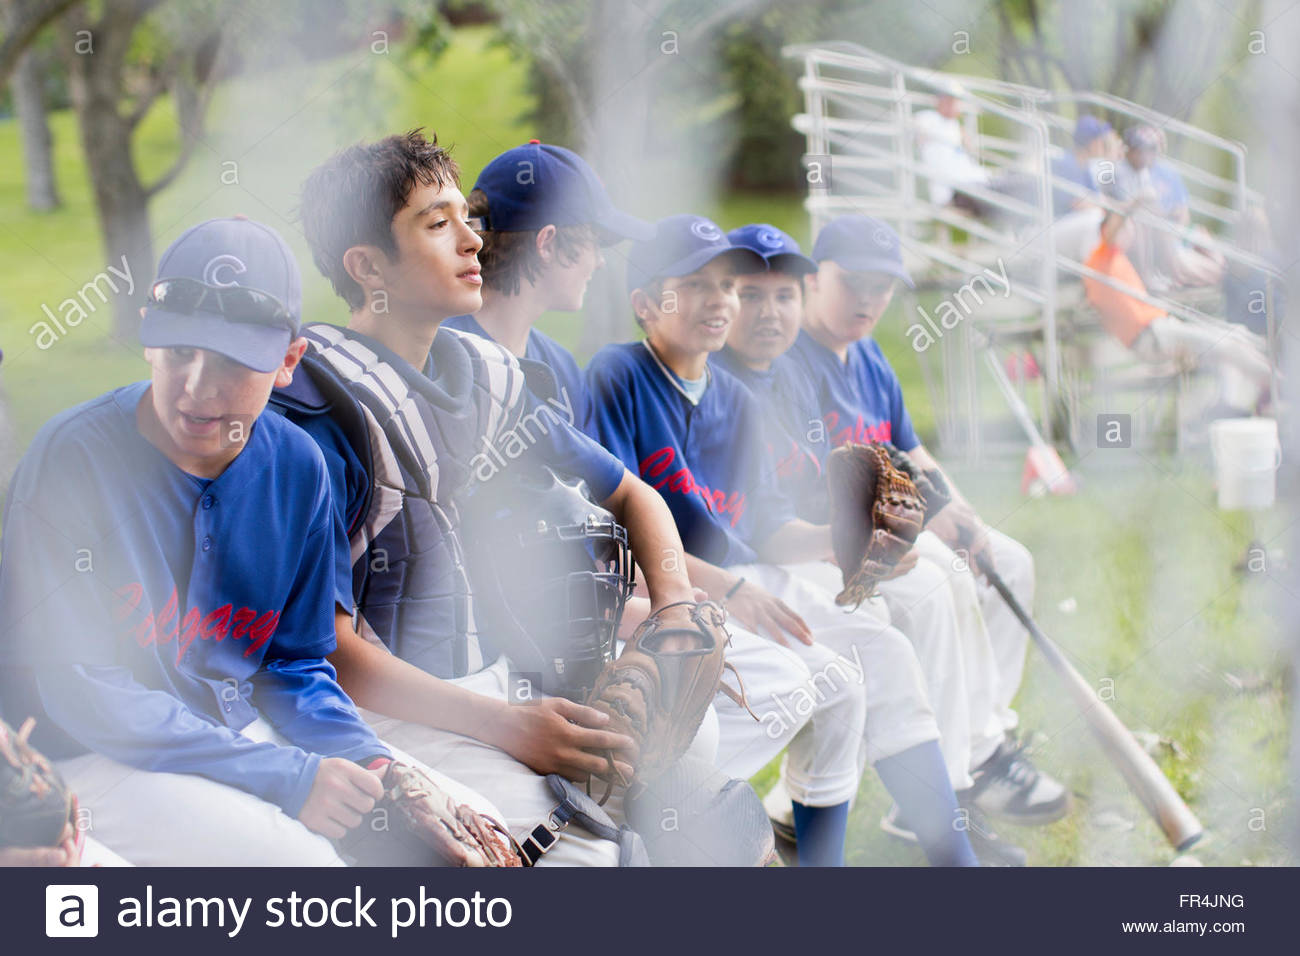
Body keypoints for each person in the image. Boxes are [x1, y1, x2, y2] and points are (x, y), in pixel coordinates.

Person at [278, 130, 778, 867]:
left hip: (501, 677)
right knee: (597, 860)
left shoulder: (482, 373)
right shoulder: (319, 411)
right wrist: (509, 725)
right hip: (389, 714)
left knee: (714, 825)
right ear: (367, 266)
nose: (472, 241)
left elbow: (633, 493)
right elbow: (333, 652)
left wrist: (671, 603)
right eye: (436, 224)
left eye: (466, 218)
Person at [0, 217, 501, 866]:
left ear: (288, 361)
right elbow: (81, 689)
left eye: (235, 361)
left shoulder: (297, 467)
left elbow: (294, 666)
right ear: (150, 344)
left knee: (473, 834)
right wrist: (285, 778)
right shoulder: (74, 458)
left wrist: (372, 761)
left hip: (231, 730)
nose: (198, 389)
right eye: (180, 350)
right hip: (95, 754)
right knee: (308, 870)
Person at [442, 142, 864, 861]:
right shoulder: (451, 355)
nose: (601, 260)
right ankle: (632, 826)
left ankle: (648, 822)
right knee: (694, 815)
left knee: (737, 743)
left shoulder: (553, 363)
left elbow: (601, 514)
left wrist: (662, 606)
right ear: (550, 245)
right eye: (593, 244)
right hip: (491, 648)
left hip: (581, 620)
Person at [586, 213, 990, 867]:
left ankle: (951, 861)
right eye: (695, 285)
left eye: (727, 285)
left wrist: (846, 539)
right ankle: (649, 810)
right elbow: (611, 532)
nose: (719, 300)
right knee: (823, 687)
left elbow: (766, 530)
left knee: (879, 658)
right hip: (664, 591)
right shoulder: (619, 376)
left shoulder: (737, 403)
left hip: (742, 582)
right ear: (644, 304)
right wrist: (729, 588)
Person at [715, 222, 1067, 851]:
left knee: (1007, 561)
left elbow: (909, 449)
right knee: (935, 590)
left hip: (871, 527)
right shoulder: (785, 362)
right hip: (825, 541)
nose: (868, 301)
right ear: (815, 278)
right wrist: (927, 518)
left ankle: (982, 744)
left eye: (882, 288)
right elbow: (818, 496)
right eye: (854, 283)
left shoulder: (870, 354)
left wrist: (957, 510)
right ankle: (947, 786)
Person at [1084, 206, 1274, 416]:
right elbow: (1112, 228)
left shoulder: (1117, 257)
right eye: (1126, 229)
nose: (1131, 234)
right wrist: (1131, 204)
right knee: (1226, 344)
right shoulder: (1101, 257)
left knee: (1237, 334)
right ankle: (1277, 384)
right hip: (1150, 336)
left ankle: (1242, 398)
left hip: (1162, 328)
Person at [1111, 125, 1223, 290]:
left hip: (1172, 230)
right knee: (1189, 264)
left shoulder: (1162, 171)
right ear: (1130, 150)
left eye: (1151, 149)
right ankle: (1217, 275)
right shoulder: (1120, 171)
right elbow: (1127, 208)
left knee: (1203, 238)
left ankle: (1223, 270)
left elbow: (1183, 214)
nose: (1146, 154)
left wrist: (1174, 221)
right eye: (1140, 149)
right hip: (1149, 234)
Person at [912, 83, 989, 208]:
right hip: (955, 190)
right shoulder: (927, 118)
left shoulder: (955, 125)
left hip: (972, 182)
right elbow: (916, 131)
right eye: (950, 100)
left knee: (1015, 184)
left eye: (955, 100)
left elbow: (970, 149)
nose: (955, 104)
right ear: (940, 101)